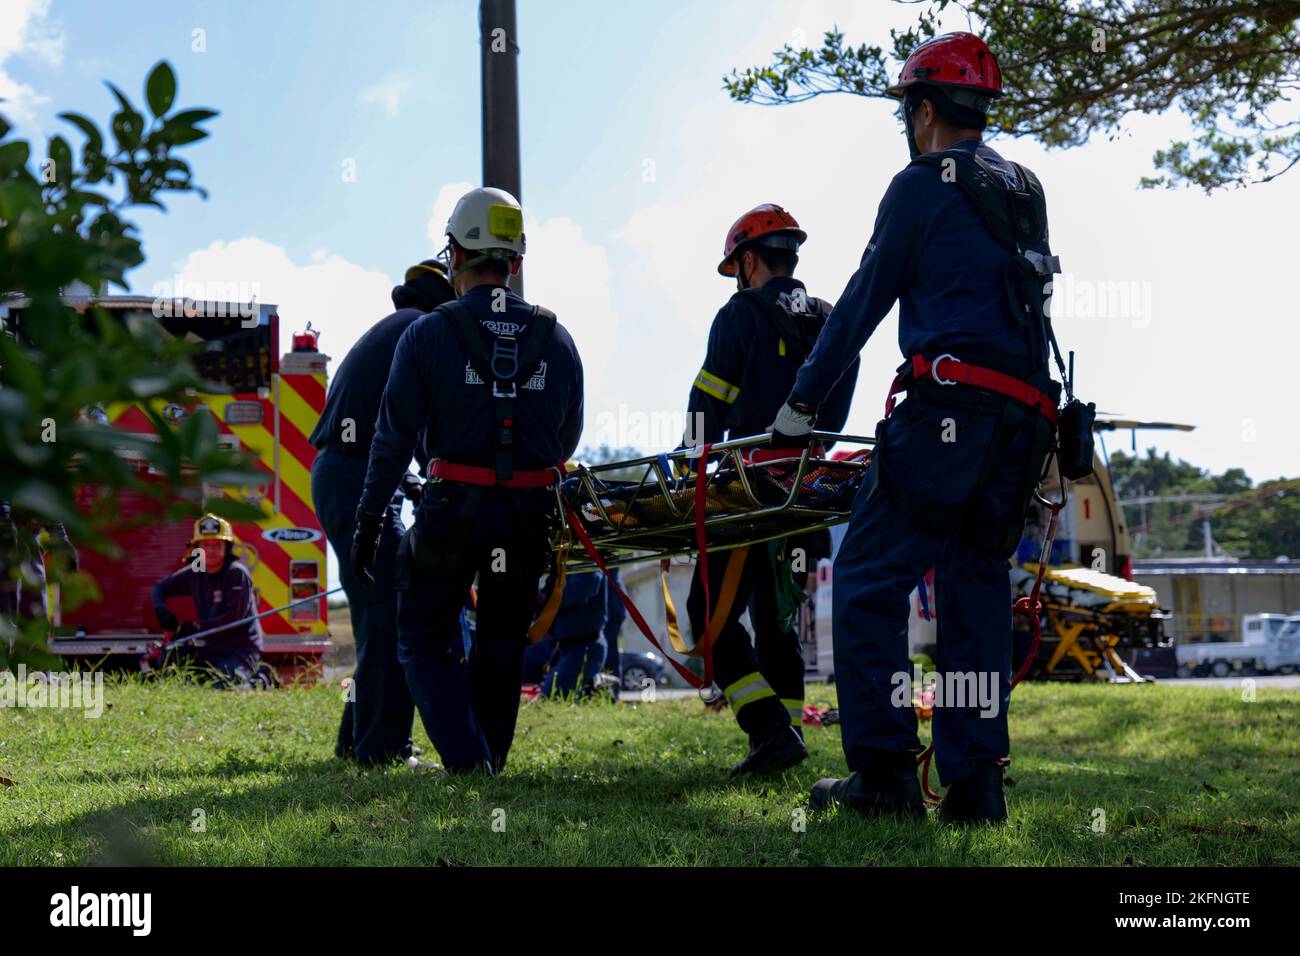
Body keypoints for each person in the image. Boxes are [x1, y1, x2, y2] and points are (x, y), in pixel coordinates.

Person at [770, 33, 1063, 823]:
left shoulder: (920, 183)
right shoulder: (1024, 185)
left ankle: (885, 778)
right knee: (973, 594)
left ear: (924, 110)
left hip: (949, 417)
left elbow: (863, 300)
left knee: (867, 584)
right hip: (1021, 423)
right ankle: (975, 788)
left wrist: (800, 409)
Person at [352, 186, 583, 774]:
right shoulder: (557, 340)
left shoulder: (427, 335)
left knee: (424, 635)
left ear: (453, 255)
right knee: (502, 641)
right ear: (517, 260)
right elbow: (566, 440)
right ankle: (487, 765)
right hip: (528, 516)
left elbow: (391, 439)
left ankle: (470, 763)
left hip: (452, 511)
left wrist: (370, 520)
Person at [681, 204, 859, 775]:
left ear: (749, 260)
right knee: (780, 617)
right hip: (811, 494)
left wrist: (690, 468)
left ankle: (771, 732)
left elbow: (709, 403)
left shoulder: (741, 314)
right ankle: (780, 744)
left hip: (750, 493)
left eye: (738, 266)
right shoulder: (832, 318)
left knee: (706, 617)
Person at [309, 260, 454, 765]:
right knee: (391, 613)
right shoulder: (420, 331)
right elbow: (416, 420)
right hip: (355, 478)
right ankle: (385, 750)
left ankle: (357, 744)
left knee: (378, 617)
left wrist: (412, 480)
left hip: (344, 474)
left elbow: (390, 420)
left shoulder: (391, 328)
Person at [150, 515, 263, 688]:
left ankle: (261, 679)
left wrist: (193, 627)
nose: (210, 550)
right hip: (212, 648)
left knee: (226, 687)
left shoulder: (236, 574)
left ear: (227, 547)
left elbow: (233, 620)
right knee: (169, 662)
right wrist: (162, 612)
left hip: (239, 650)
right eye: (205, 545)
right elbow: (159, 588)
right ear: (196, 548)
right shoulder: (196, 572)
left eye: (217, 545)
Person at [541, 571, 608, 699]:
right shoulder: (563, 562)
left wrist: (545, 599)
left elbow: (582, 588)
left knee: (550, 696)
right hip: (559, 646)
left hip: (586, 647)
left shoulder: (586, 561)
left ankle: (595, 686)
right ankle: (591, 686)